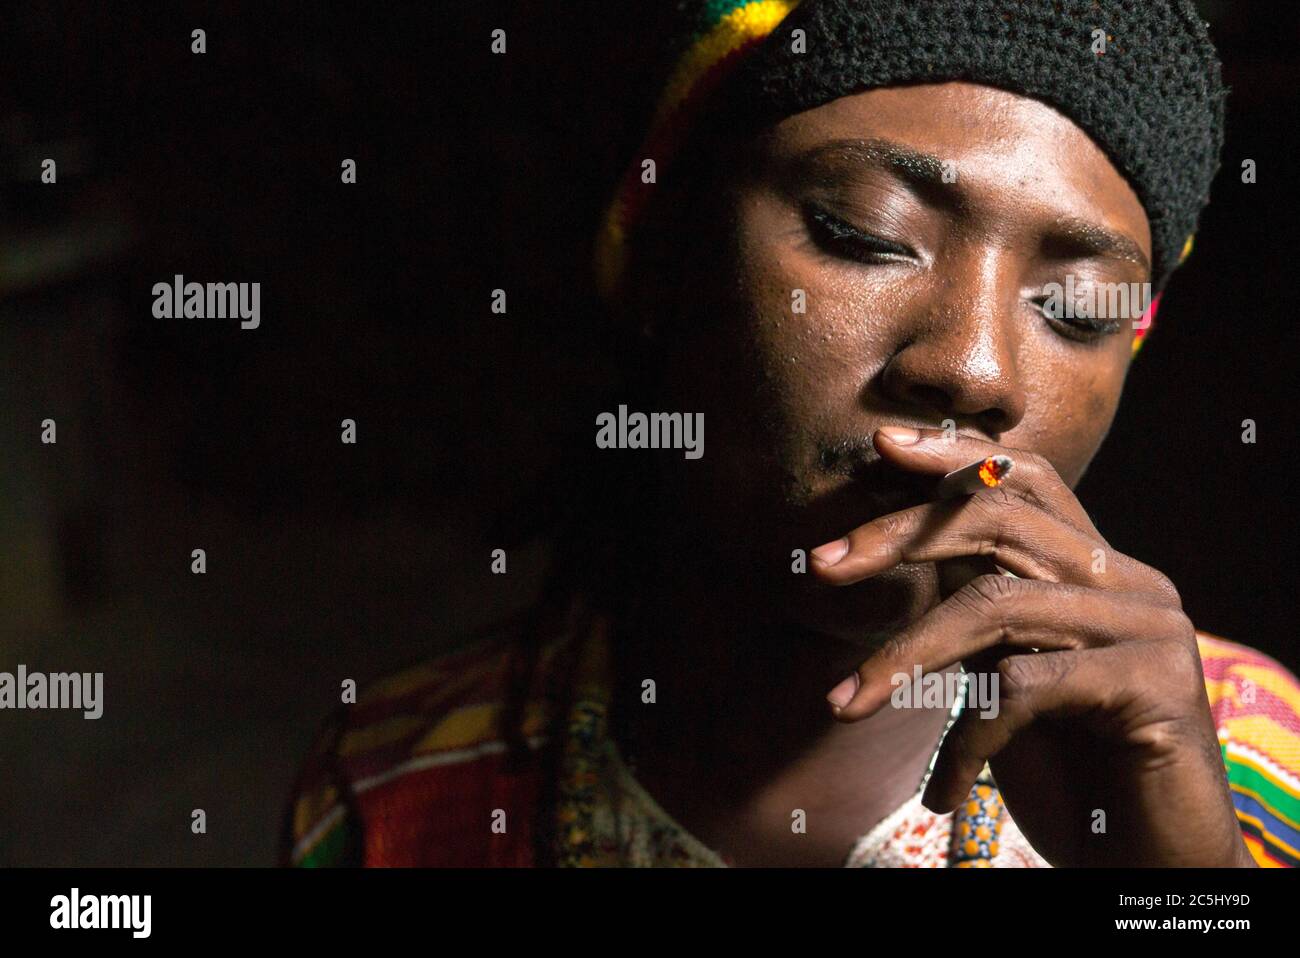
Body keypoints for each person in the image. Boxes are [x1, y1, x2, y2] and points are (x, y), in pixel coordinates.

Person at [282, 0, 1300, 868]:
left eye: (1075, 305)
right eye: (864, 235)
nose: (972, 368)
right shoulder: (393, 788)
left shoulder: (1250, 759)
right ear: (666, 251)